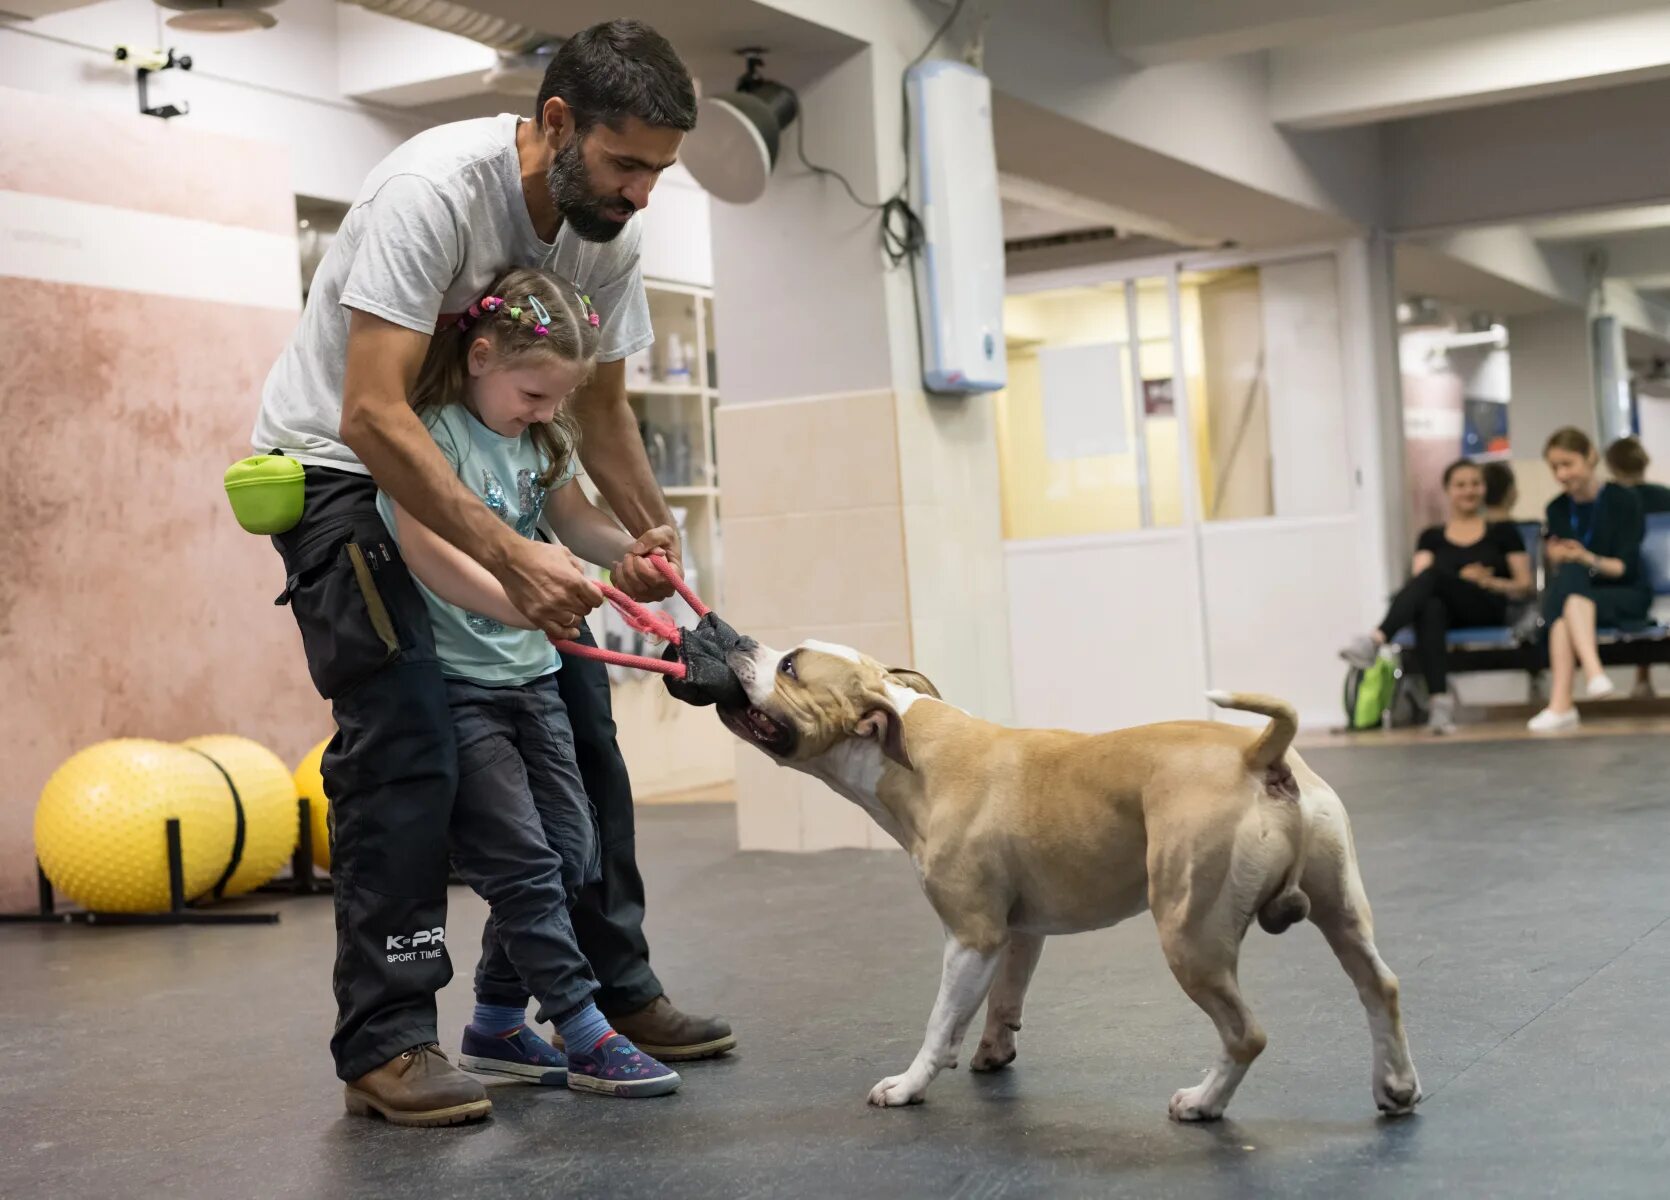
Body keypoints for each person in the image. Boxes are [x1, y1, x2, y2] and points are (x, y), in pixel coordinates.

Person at [253, 20, 731, 1127]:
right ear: (555, 122)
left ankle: (609, 989)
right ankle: (387, 1042)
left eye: (659, 170)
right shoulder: (432, 195)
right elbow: (371, 414)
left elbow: (598, 411)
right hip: (342, 470)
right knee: (408, 738)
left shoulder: (607, 234)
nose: (642, 192)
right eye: (625, 163)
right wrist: (512, 557)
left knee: (585, 732)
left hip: (501, 479)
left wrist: (649, 540)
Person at [360, 267, 680, 1109]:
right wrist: (520, 603)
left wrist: (626, 549)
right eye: (533, 394)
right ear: (480, 357)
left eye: (558, 400)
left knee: (573, 853)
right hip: (464, 688)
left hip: (535, 680)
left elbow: (571, 519)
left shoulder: (541, 438)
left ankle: (498, 1020)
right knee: (524, 866)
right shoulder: (430, 437)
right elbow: (427, 552)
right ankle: (584, 1028)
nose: (543, 412)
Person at [1341, 459, 1532, 734]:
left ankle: (1376, 639)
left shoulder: (1503, 532)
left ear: (1484, 488)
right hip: (1448, 611)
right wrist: (1457, 578)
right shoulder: (1431, 536)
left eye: (1475, 484)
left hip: (1487, 606)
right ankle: (1439, 707)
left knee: (1434, 577)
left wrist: (1487, 580)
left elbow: (1524, 585)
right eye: (1461, 485)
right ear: (1448, 490)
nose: (1469, 490)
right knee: (1431, 606)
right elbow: (1420, 581)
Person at [1527, 427, 1651, 733]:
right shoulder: (1557, 508)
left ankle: (1563, 703)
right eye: (1555, 467)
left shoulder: (1624, 500)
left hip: (1623, 590)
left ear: (1590, 457)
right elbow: (1567, 560)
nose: (1561, 474)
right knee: (1570, 587)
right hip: (1581, 593)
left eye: (1567, 464)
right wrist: (1557, 557)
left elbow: (1624, 568)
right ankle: (1591, 674)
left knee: (1566, 598)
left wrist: (1586, 558)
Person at [1601, 437, 1670, 697]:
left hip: (1629, 581)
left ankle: (1643, 677)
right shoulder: (1665, 496)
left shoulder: (1611, 503)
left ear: (1612, 466)